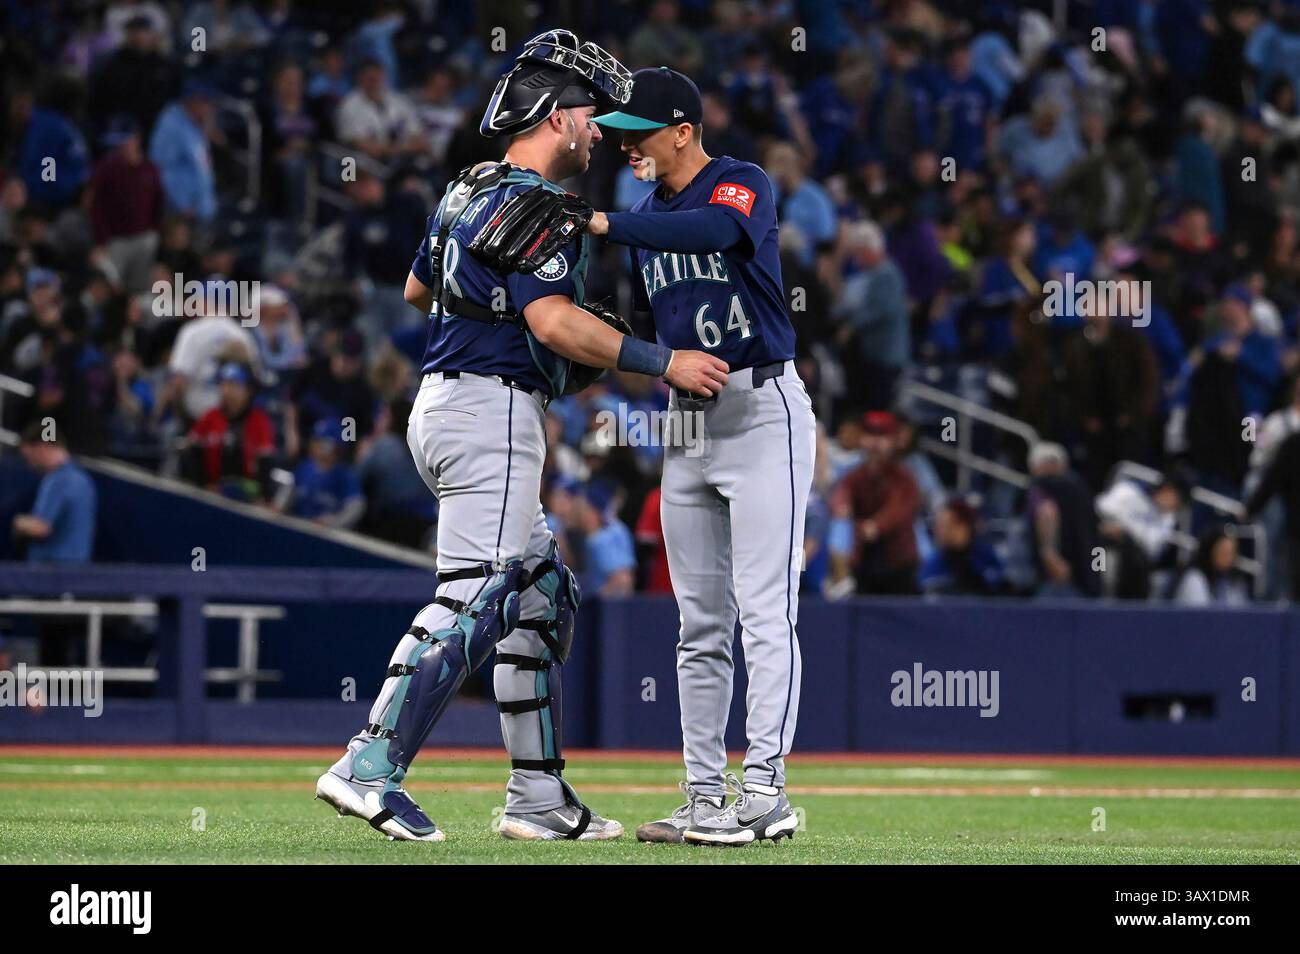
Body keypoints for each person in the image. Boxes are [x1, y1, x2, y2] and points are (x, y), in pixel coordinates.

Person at [315, 32, 725, 844]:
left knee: (541, 594)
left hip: (443, 401)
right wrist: (660, 360)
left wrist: (514, 317)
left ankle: (536, 796)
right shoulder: (544, 205)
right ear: (553, 116)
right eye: (588, 117)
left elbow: (416, 287)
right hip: (490, 411)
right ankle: (368, 763)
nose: (599, 133)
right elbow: (552, 320)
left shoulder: (470, 186)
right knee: (478, 590)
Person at [586, 66, 816, 845]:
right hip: (688, 423)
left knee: (765, 609)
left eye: (640, 135)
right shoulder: (646, 213)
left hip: (762, 411)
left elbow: (714, 233)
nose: (629, 149)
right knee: (698, 624)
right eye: (619, 138)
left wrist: (606, 226)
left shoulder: (739, 182)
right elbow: (653, 326)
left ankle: (767, 790)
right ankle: (704, 793)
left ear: (683, 130)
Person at [833, 411, 921, 595]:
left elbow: (899, 509)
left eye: (882, 436)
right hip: (865, 562)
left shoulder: (904, 478)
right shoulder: (855, 476)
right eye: (870, 435)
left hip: (899, 565)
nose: (875, 443)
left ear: (893, 441)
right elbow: (842, 494)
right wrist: (841, 505)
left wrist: (876, 526)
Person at [1171, 527, 1252, 607]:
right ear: (1210, 551)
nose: (1228, 558)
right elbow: (1200, 616)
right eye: (1223, 552)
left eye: (1231, 553)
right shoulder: (1194, 579)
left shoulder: (1236, 581)